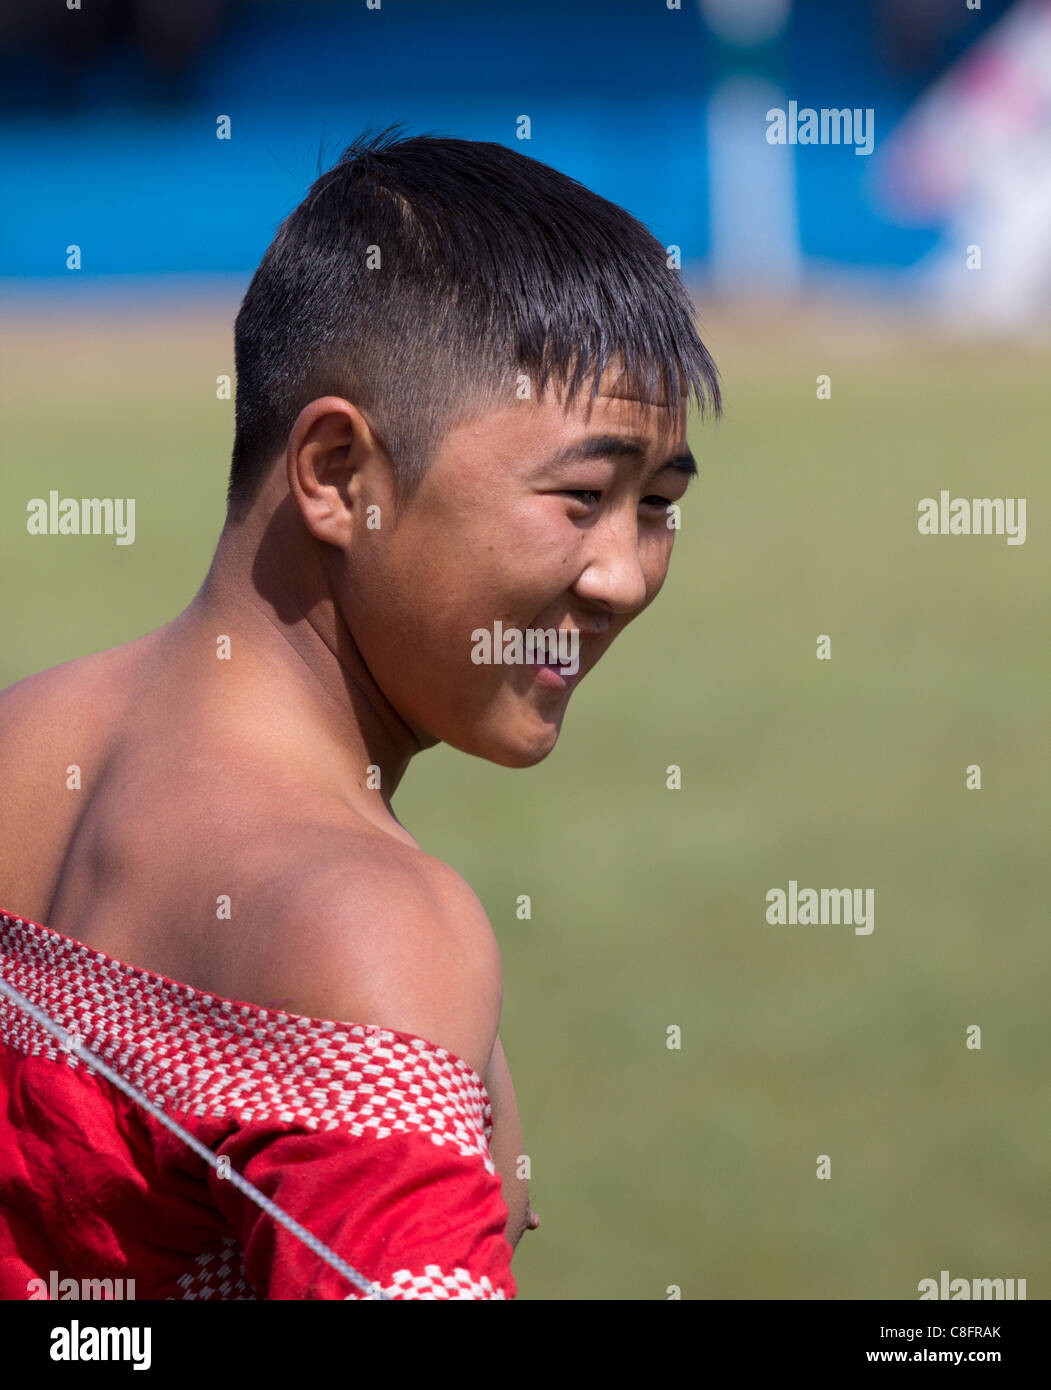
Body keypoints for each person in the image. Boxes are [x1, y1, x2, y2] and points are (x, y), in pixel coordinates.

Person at [0, 125, 720, 1299]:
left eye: (658, 506)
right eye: (581, 497)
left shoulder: (22, 736)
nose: (624, 576)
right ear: (337, 473)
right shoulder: (369, 929)